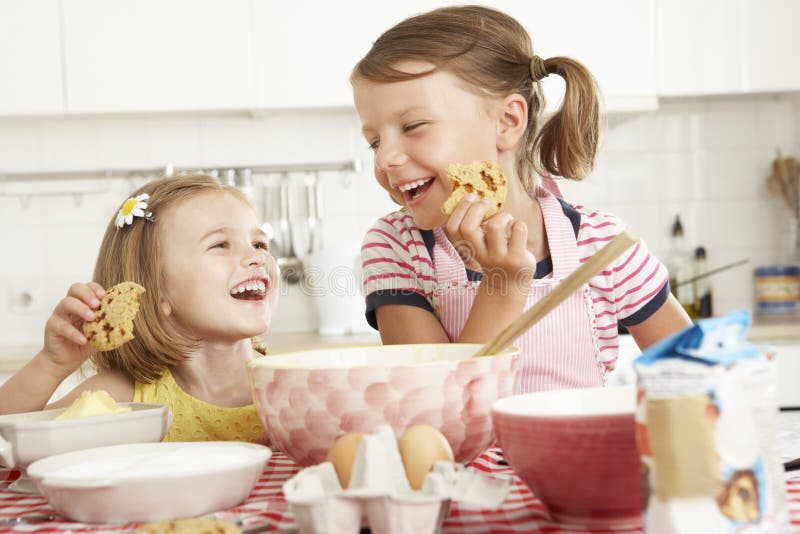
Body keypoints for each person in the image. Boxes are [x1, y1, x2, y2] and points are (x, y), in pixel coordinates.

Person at [353, 5, 692, 392]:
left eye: (413, 126)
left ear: (507, 121)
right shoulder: (397, 247)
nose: (384, 158)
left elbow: (696, 378)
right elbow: (434, 404)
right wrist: (502, 287)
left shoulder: (604, 245)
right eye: (374, 142)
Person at [0, 174, 279, 442]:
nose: (257, 256)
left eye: (259, 243)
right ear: (154, 290)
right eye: (220, 244)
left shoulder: (290, 384)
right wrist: (51, 364)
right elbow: (7, 440)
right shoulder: (123, 399)